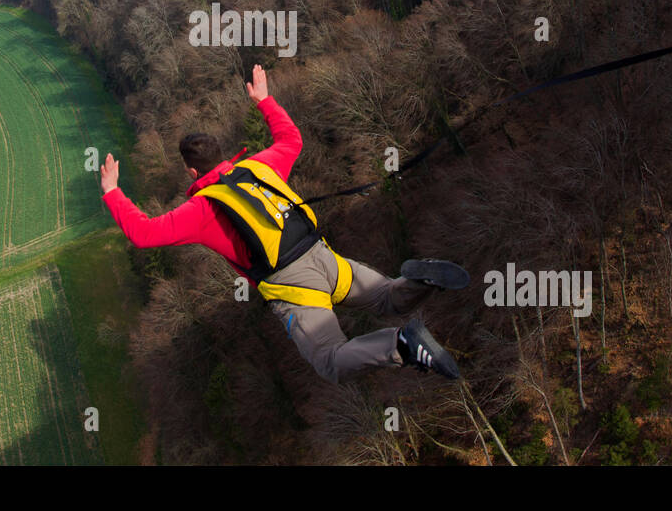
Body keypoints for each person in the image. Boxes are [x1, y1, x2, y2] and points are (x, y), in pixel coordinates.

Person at [99, 64, 469, 384]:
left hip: (291, 285)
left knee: (330, 362)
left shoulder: (202, 208)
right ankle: (421, 281)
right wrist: (264, 100)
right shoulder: (259, 166)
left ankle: (401, 345)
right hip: (322, 256)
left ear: (192, 171)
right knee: (388, 296)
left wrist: (113, 191)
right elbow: (291, 138)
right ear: (223, 155)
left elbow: (143, 233)